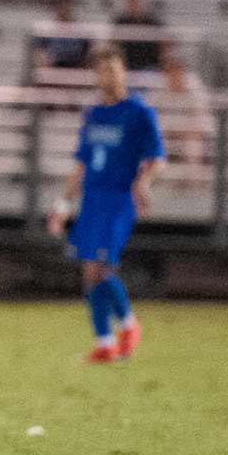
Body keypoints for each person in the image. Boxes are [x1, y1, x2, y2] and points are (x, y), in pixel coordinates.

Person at [45, 43, 165, 364]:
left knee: (100, 268)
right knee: (88, 274)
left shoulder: (140, 113)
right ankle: (105, 344)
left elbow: (157, 160)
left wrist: (143, 182)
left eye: (112, 69)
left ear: (123, 71)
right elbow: (81, 167)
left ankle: (129, 325)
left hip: (119, 201)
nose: (107, 76)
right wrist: (61, 207)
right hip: (91, 202)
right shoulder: (94, 115)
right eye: (101, 70)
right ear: (95, 76)